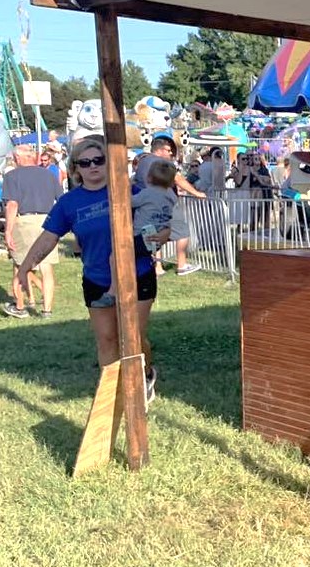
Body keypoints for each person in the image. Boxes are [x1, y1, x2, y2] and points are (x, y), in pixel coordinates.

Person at [16, 137, 168, 397]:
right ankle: (112, 395)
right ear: (76, 168)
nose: (93, 166)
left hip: (137, 273)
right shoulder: (69, 203)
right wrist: (25, 266)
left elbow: (162, 219)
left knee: (134, 336)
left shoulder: (128, 192)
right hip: (97, 278)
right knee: (107, 338)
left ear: (108, 163)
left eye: (98, 160)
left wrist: (163, 234)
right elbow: (48, 237)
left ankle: (145, 375)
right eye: (85, 163)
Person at [90, 159, 178, 309]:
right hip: (156, 237)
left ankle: (113, 291)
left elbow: (127, 202)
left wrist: (126, 188)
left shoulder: (147, 193)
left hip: (139, 236)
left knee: (115, 257)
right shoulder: (171, 196)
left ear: (149, 178)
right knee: (139, 259)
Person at [2, 144, 63, 318]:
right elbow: (61, 199)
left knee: (20, 265)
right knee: (46, 267)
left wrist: (8, 231)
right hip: (47, 221)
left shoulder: (11, 176)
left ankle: (20, 307)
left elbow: (12, 204)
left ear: (18, 158)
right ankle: (47, 310)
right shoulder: (49, 175)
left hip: (24, 221)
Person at [137, 135, 205, 276]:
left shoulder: (143, 162)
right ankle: (182, 265)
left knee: (155, 234)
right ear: (160, 150)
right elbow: (177, 178)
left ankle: (157, 267)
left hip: (148, 204)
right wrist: (196, 193)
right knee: (183, 232)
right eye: (168, 150)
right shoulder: (160, 163)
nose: (171, 153)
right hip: (166, 204)